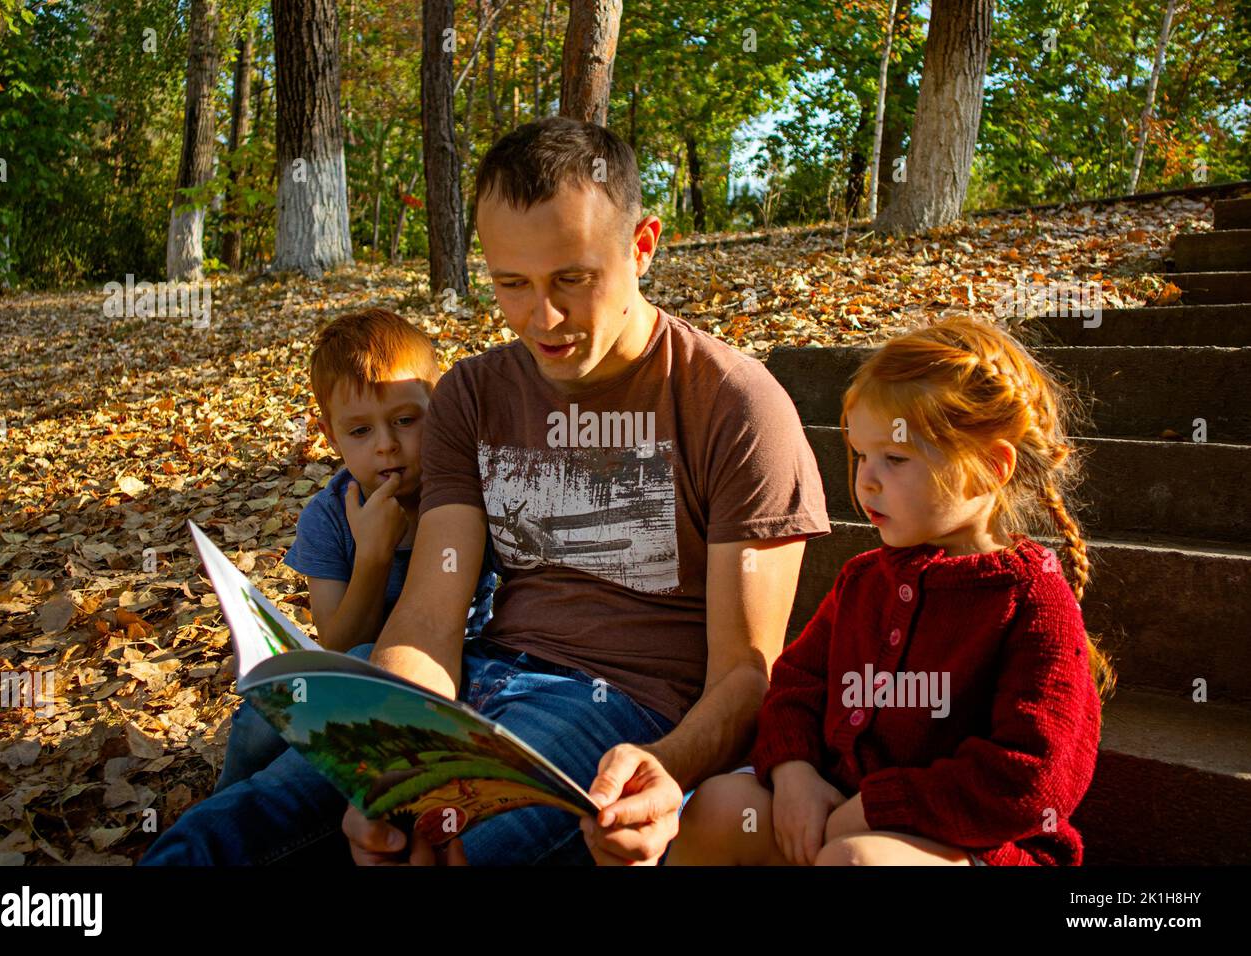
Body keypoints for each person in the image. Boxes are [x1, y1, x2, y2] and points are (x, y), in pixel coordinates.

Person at [341, 115, 830, 866]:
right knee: (256, 817)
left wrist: (664, 772)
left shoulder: (733, 404)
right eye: (511, 284)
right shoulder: (473, 394)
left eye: (571, 279)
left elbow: (745, 673)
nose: (542, 317)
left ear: (643, 247)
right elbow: (430, 617)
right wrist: (394, 748)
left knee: (459, 848)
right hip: (477, 679)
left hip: (623, 711)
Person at [666, 316, 1111, 866]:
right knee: (718, 806)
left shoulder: (1030, 598)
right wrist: (794, 771)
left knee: (857, 860)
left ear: (991, 468)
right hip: (840, 815)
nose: (867, 480)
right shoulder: (863, 579)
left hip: (976, 848)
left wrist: (881, 807)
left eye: (895, 459)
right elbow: (797, 685)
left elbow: (1033, 776)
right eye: (861, 455)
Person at [140, 309, 497, 863]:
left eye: (406, 420)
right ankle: (229, 807)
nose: (386, 446)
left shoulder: (464, 496)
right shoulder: (329, 517)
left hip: (452, 673)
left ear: (439, 408)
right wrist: (373, 554)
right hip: (352, 669)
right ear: (331, 435)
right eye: (360, 431)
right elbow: (338, 641)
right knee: (263, 711)